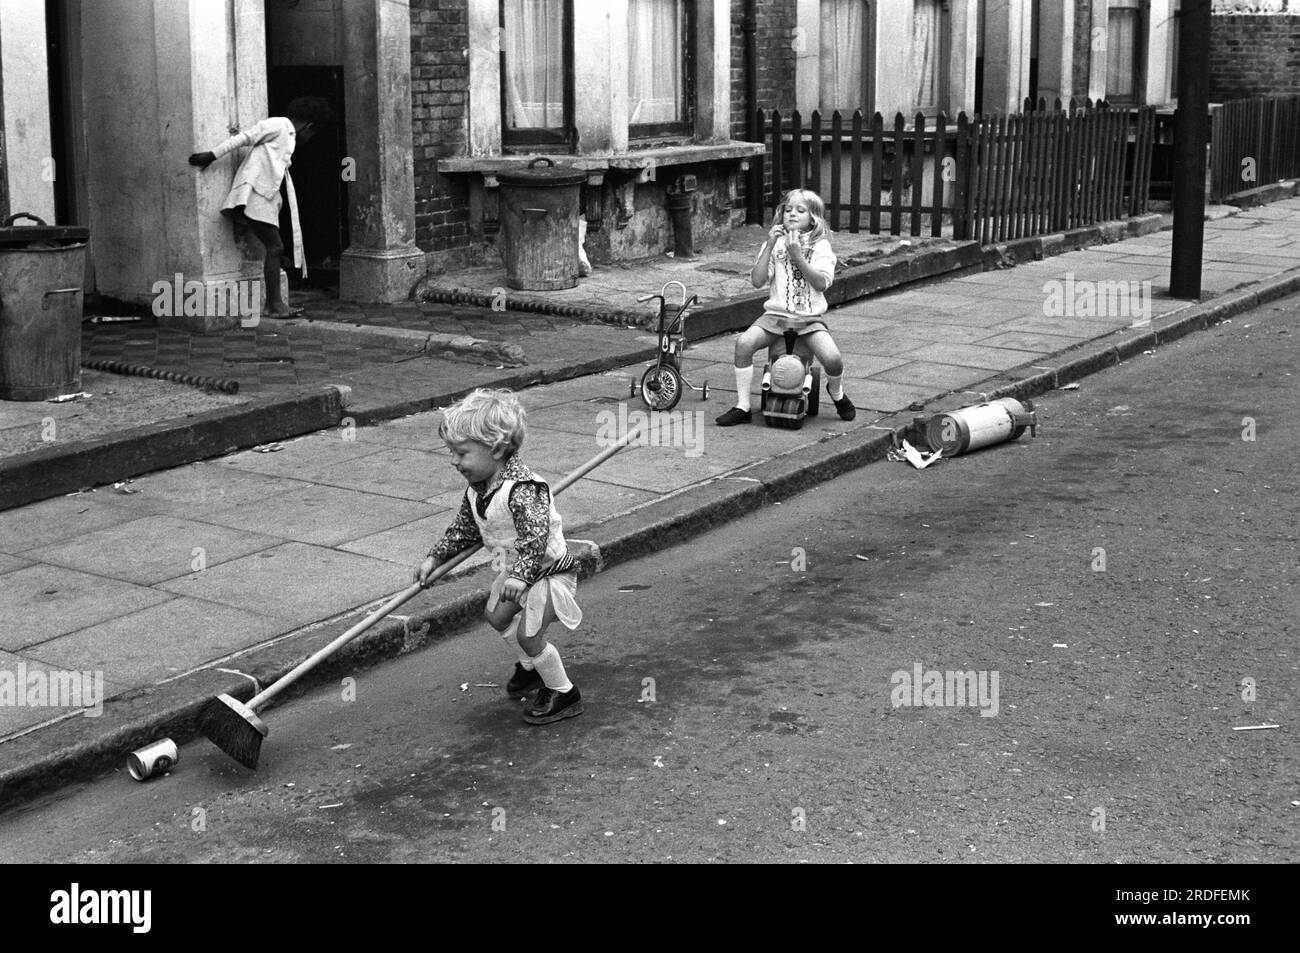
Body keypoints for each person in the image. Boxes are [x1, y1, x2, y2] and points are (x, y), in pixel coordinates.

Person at [415, 389, 585, 725]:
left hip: (548, 573)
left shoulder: (525, 490)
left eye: (461, 453)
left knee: (529, 634)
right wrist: (435, 558)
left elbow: (535, 540)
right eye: (452, 452)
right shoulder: (477, 488)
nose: (454, 460)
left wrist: (521, 577)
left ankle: (563, 692)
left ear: (494, 449)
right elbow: (464, 530)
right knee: (496, 617)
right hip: (515, 574)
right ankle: (531, 669)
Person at [715, 188, 856, 425]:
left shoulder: (820, 247)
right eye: (788, 209)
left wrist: (798, 256)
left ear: (813, 218)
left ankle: (837, 393)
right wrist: (769, 245)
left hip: (809, 319)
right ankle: (742, 406)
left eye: (800, 210)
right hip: (775, 316)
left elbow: (821, 283)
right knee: (744, 343)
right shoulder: (776, 244)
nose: (792, 214)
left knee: (832, 358)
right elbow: (757, 280)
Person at [188, 96, 334, 318]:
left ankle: (273, 305)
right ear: (308, 125)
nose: (309, 138)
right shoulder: (279, 125)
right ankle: (274, 306)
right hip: (253, 193)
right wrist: (212, 155)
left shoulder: (289, 138)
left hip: (264, 197)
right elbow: (244, 137)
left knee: (275, 248)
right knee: (275, 248)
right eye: (312, 133)